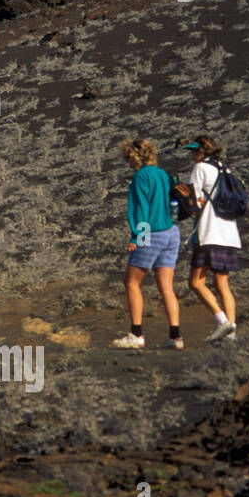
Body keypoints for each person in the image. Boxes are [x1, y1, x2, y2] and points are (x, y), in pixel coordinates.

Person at [111, 139, 183, 350]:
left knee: (132, 282)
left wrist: (136, 239)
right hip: (171, 233)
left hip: (151, 234)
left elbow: (141, 209)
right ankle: (176, 336)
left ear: (134, 156)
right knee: (167, 287)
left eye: (127, 158)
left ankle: (136, 334)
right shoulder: (163, 174)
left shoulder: (141, 177)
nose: (127, 162)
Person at [180, 136, 240, 342]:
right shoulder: (224, 169)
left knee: (196, 282)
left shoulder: (200, 169)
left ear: (202, 152)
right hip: (230, 233)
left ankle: (221, 320)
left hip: (209, 232)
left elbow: (193, 200)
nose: (192, 155)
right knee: (222, 283)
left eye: (195, 152)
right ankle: (231, 333)